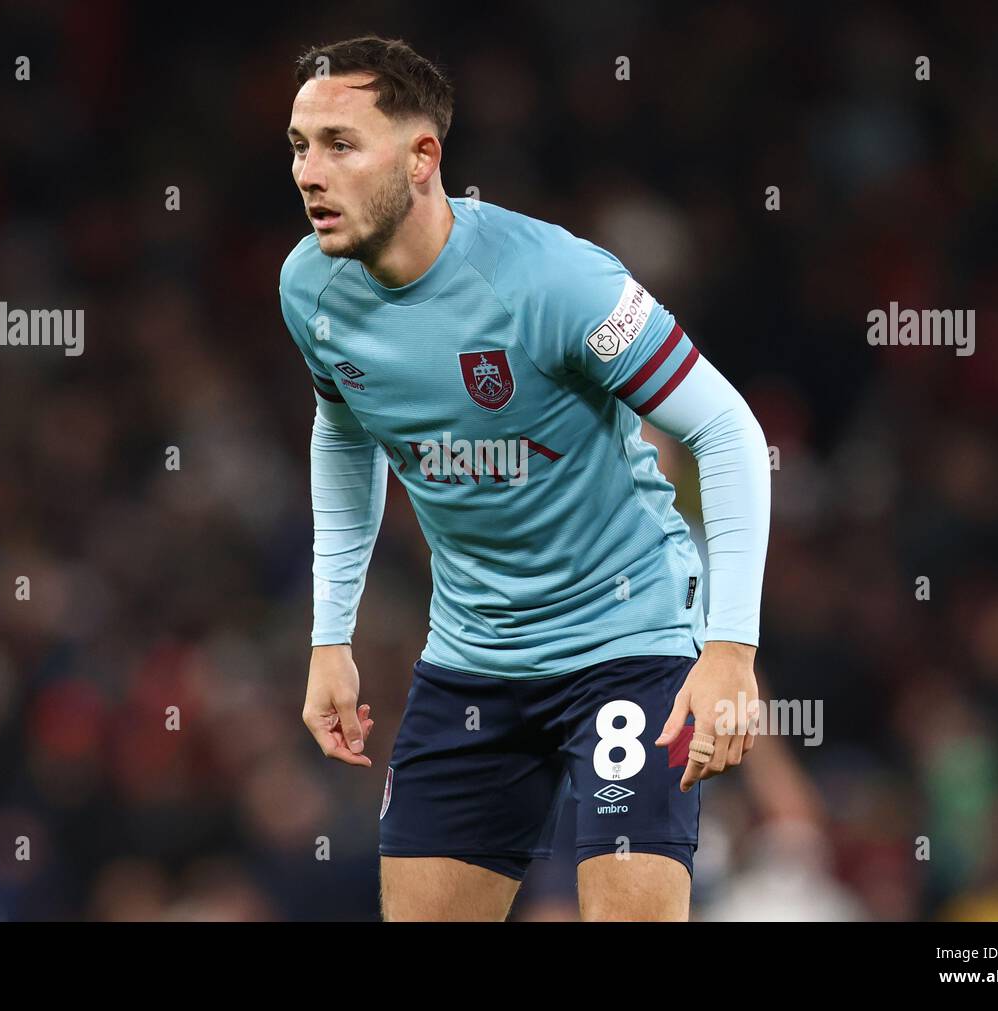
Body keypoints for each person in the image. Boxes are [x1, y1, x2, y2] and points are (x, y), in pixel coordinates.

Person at [278, 34, 771, 921]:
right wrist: (329, 637)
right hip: (472, 658)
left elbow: (727, 429)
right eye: (300, 146)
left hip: (627, 641)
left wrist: (730, 647)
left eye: (340, 144)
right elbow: (344, 436)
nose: (310, 172)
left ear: (422, 156)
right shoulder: (310, 289)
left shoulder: (555, 279)